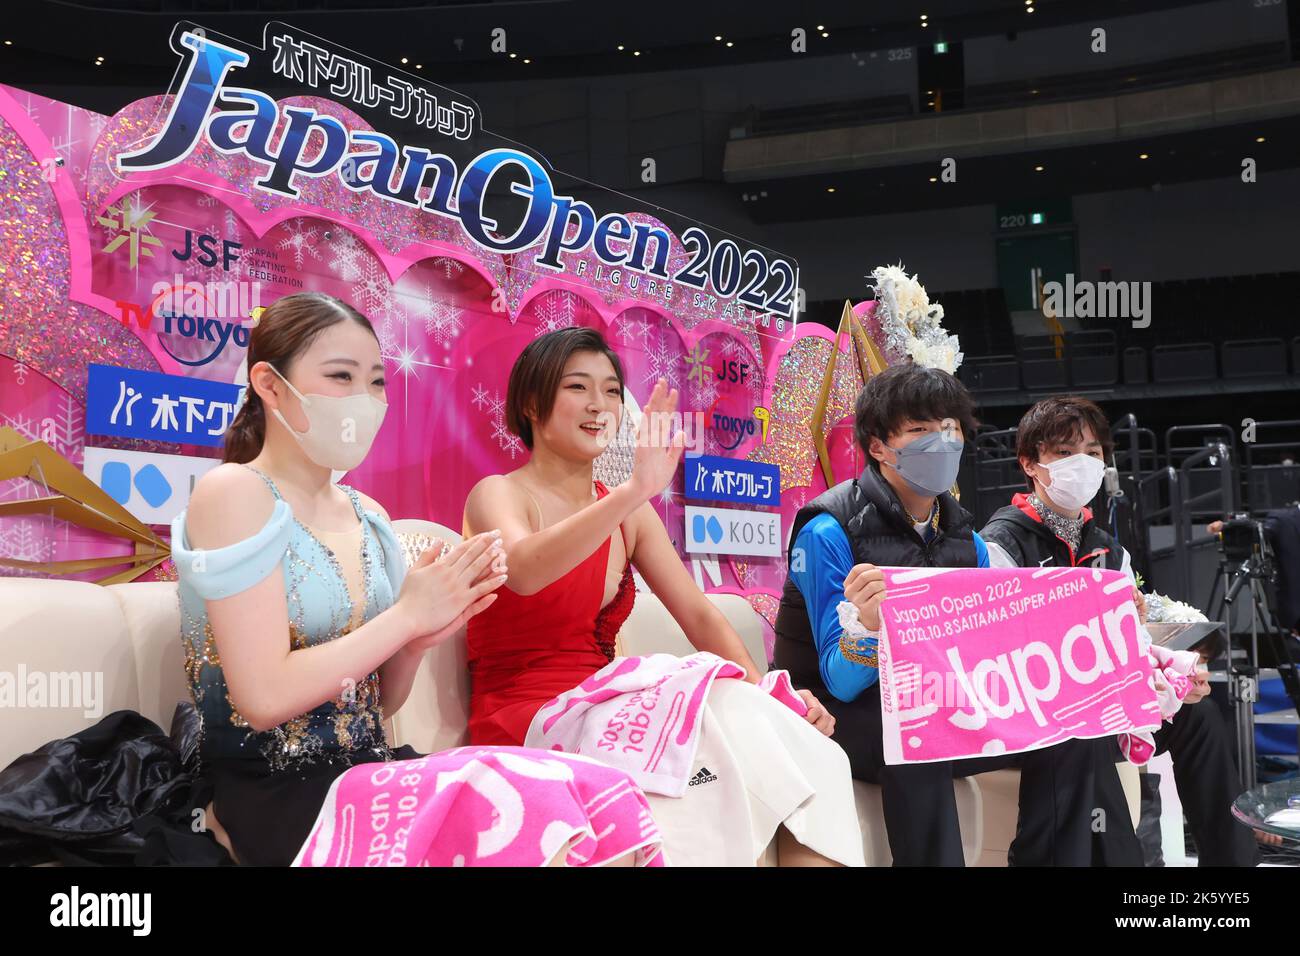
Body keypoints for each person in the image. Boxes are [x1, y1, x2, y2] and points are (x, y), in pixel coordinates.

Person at [172, 293, 636, 866]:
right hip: (272, 786)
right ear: (270, 385)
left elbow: (379, 704)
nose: (365, 401)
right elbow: (264, 699)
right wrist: (406, 617)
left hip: (369, 771)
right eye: (341, 377)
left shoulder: (368, 516)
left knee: (567, 806)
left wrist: (416, 641)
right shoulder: (235, 492)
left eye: (376, 383)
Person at [461, 327, 863, 866]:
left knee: (814, 751)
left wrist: (764, 694)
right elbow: (526, 570)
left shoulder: (628, 511)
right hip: (528, 715)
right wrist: (632, 491)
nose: (599, 405)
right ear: (532, 403)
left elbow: (698, 615)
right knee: (707, 757)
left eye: (610, 391)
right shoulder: (498, 494)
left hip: (610, 706)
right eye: (578, 388)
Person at [773, 362, 1104, 866]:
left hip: (936, 703)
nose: (942, 442)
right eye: (921, 430)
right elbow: (837, 682)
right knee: (919, 732)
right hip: (833, 716)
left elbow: (995, 644)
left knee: (1068, 730)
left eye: (950, 429)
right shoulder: (828, 529)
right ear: (879, 445)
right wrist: (869, 628)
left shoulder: (966, 539)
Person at [979, 395, 1259, 866]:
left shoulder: (1108, 548)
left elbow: (1133, 642)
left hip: (1102, 699)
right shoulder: (1001, 543)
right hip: (1037, 709)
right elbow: (999, 646)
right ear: (1030, 462)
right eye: (1065, 453)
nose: (1083, 464)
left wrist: (1173, 678)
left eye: (1093, 452)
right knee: (1091, 727)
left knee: (1203, 717)